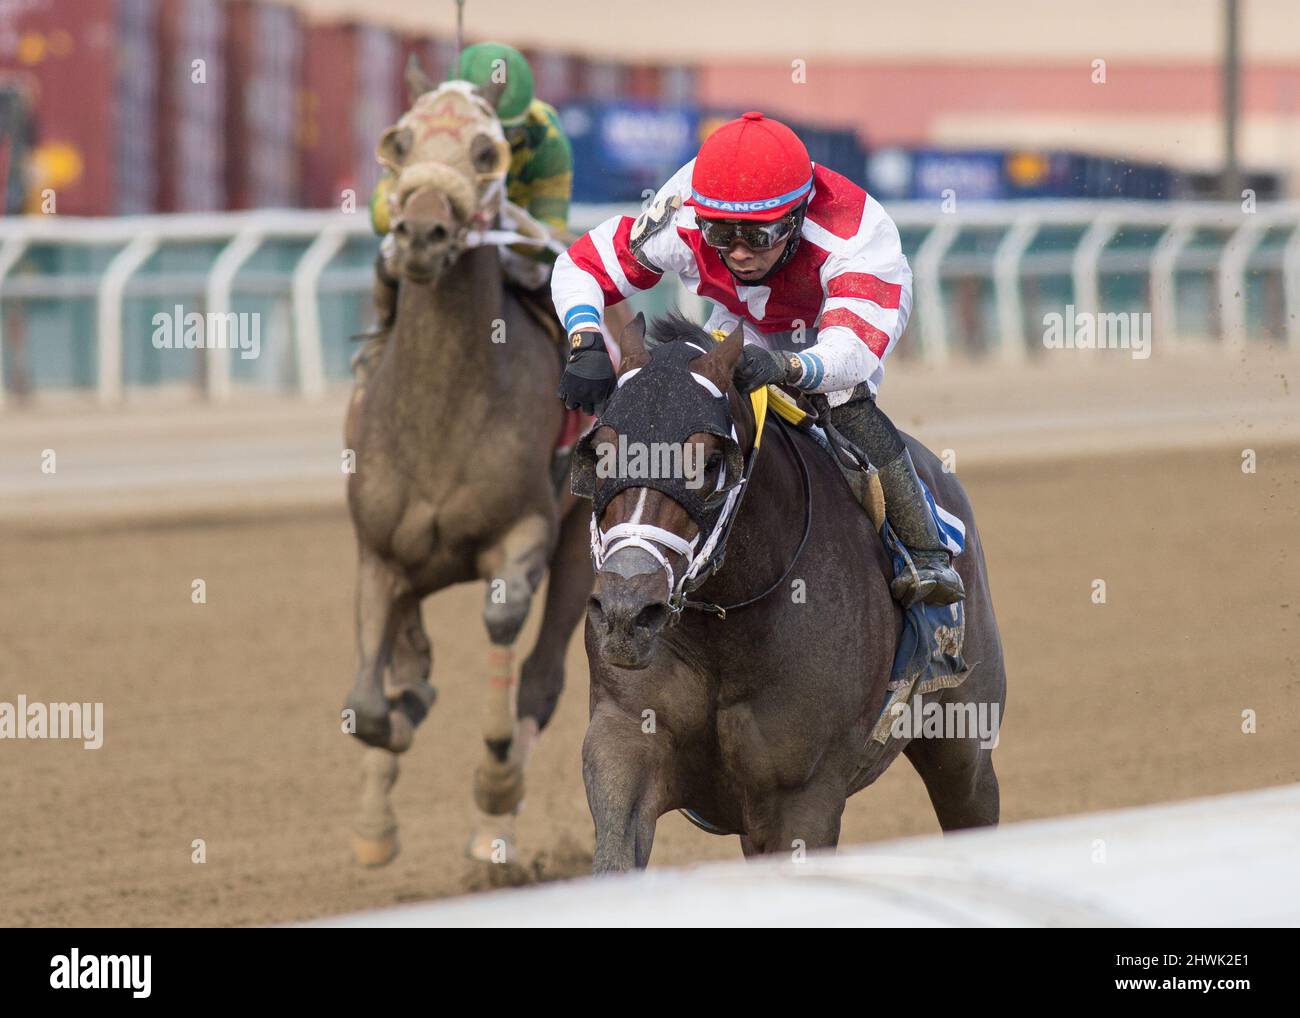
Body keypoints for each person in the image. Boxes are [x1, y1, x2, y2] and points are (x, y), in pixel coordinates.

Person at [550, 111, 964, 608]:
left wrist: (789, 369)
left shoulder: (856, 235)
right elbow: (580, 264)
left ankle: (925, 554)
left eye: (758, 236)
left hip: (835, 324)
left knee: (841, 401)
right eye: (722, 236)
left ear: (796, 218)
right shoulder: (682, 212)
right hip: (741, 312)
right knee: (695, 399)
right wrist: (585, 339)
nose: (740, 253)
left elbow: (850, 354)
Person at [357, 41, 574, 374]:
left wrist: (506, 225)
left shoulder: (546, 136)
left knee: (545, 277)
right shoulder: (427, 124)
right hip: (449, 228)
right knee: (388, 259)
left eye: (507, 131)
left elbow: (553, 237)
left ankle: (569, 360)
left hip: (508, 234)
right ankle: (379, 341)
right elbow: (379, 213)